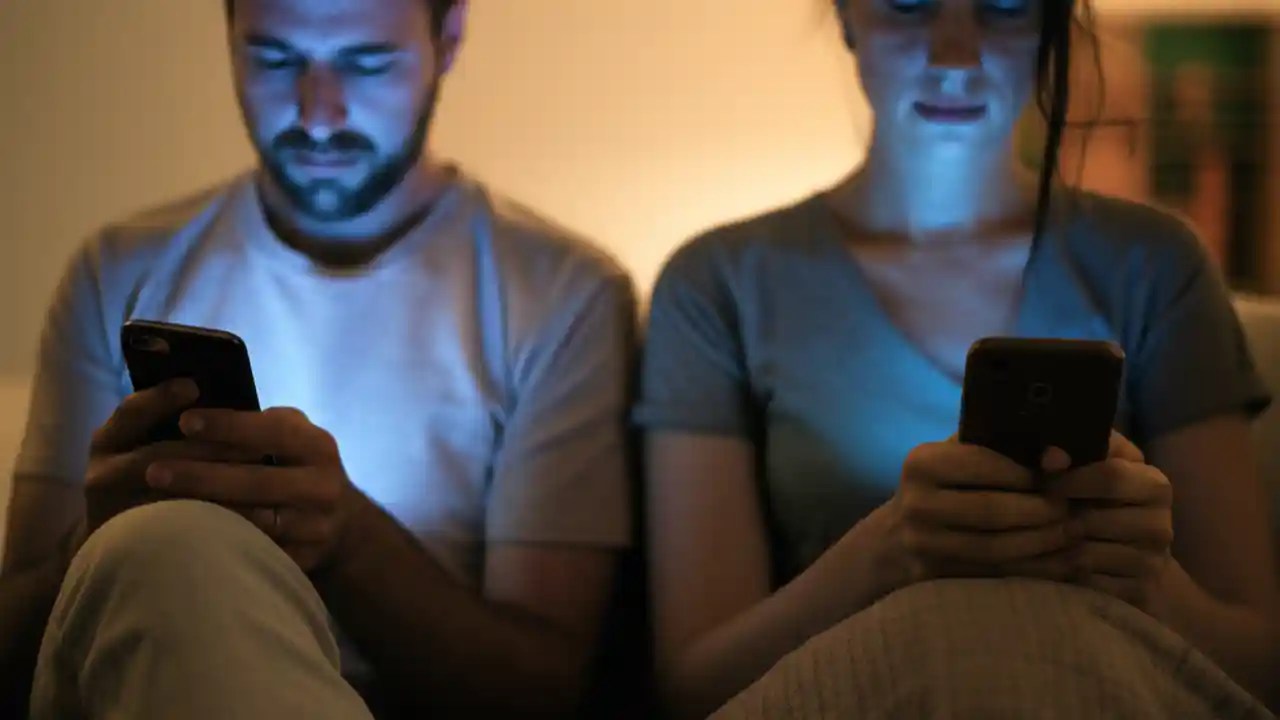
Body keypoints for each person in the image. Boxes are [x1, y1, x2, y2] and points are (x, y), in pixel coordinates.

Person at [637, 0, 1280, 717]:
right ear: (849, 18)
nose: (954, 57)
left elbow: (1256, 669)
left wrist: (1147, 577)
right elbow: (695, 688)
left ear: (1049, 30)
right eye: (909, 7)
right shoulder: (721, 283)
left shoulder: (1154, 266)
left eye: (1004, 9)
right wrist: (881, 558)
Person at [0, 0, 637, 717]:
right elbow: (17, 646)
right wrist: (94, 544)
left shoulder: (557, 294)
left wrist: (346, 541)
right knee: (160, 549)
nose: (319, 113)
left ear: (449, 37)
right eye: (275, 59)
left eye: (368, 63)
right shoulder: (117, 270)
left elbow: (543, 691)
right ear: (228, 36)